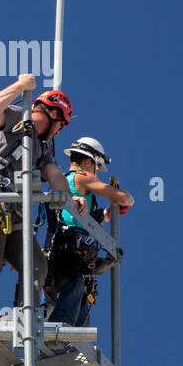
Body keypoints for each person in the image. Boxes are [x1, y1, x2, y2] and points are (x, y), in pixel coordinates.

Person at [0, 75, 87, 320]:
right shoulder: (18, 117)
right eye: (61, 124)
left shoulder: (42, 148)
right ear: (53, 115)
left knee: (36, 264)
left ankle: (25, 317)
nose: (60, 130)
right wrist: (21, 87)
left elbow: (54, 176)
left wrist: (72, 199)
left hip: (13, 211)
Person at [45, 136, 133, 328]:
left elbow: (83, 220)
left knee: (76, 298)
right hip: (73, 254)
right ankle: (60, 339)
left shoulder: (63, 183)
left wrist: (107, 215)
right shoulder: (82, 176)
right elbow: (124, 198)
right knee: (72, 304)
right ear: (87, 161)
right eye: (96, 167)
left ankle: (65, 344)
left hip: (59, 253)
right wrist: (125, 199)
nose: (96, 173)